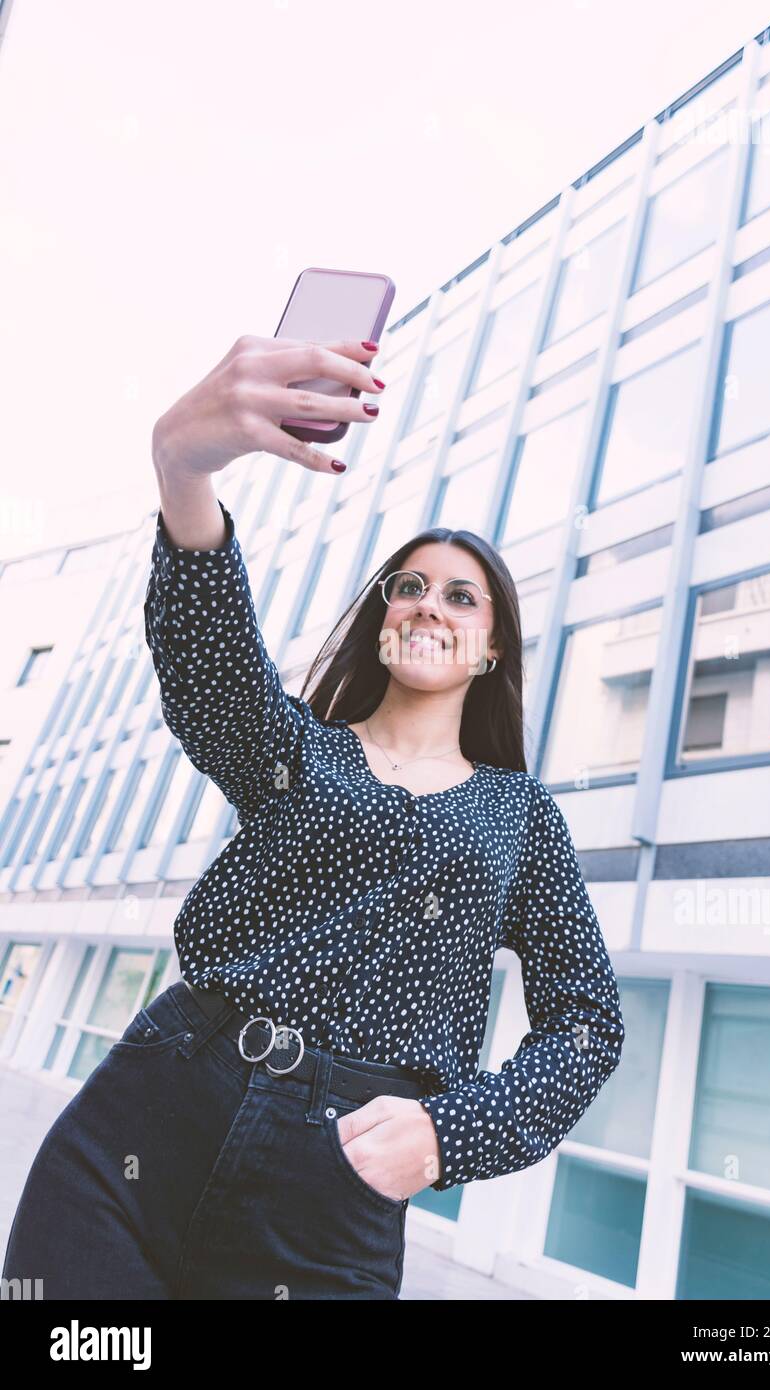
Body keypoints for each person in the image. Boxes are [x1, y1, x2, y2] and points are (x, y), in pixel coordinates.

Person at [2, 335, 625, 1301]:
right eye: (408, 586)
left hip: (337, 1187)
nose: (428, 604)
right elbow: (212, 667)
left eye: (461, 596)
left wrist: (452, 1134)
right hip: (156, 1113)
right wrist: (183, 464)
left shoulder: (521, 816)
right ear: (382, 621)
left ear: (491, 647)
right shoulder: (296, 746)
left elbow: (586, 1023)